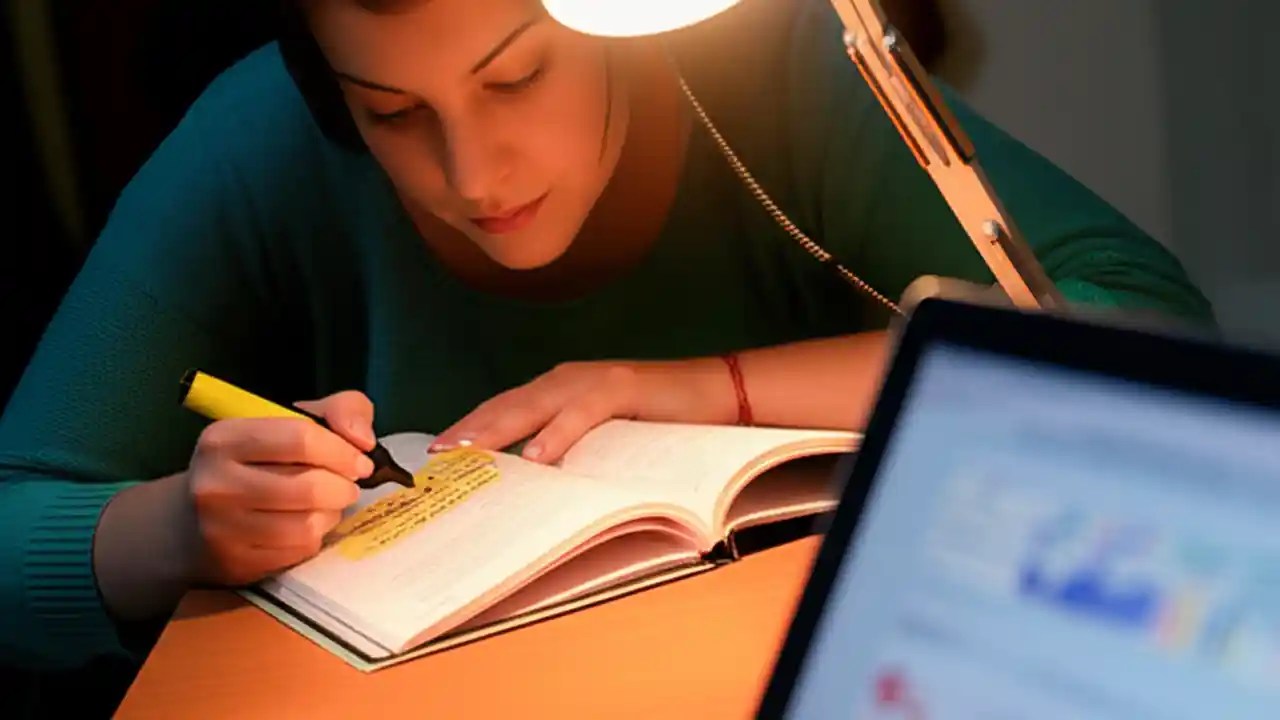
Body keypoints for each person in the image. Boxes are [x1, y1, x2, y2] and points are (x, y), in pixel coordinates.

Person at [0, 0, 1212, 673]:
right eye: (391, 114)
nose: (473, 175)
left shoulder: (768, 59)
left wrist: (695, 390)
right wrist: (177, 529)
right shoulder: (258, 143)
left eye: (517, 77)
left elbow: (1133, 320)